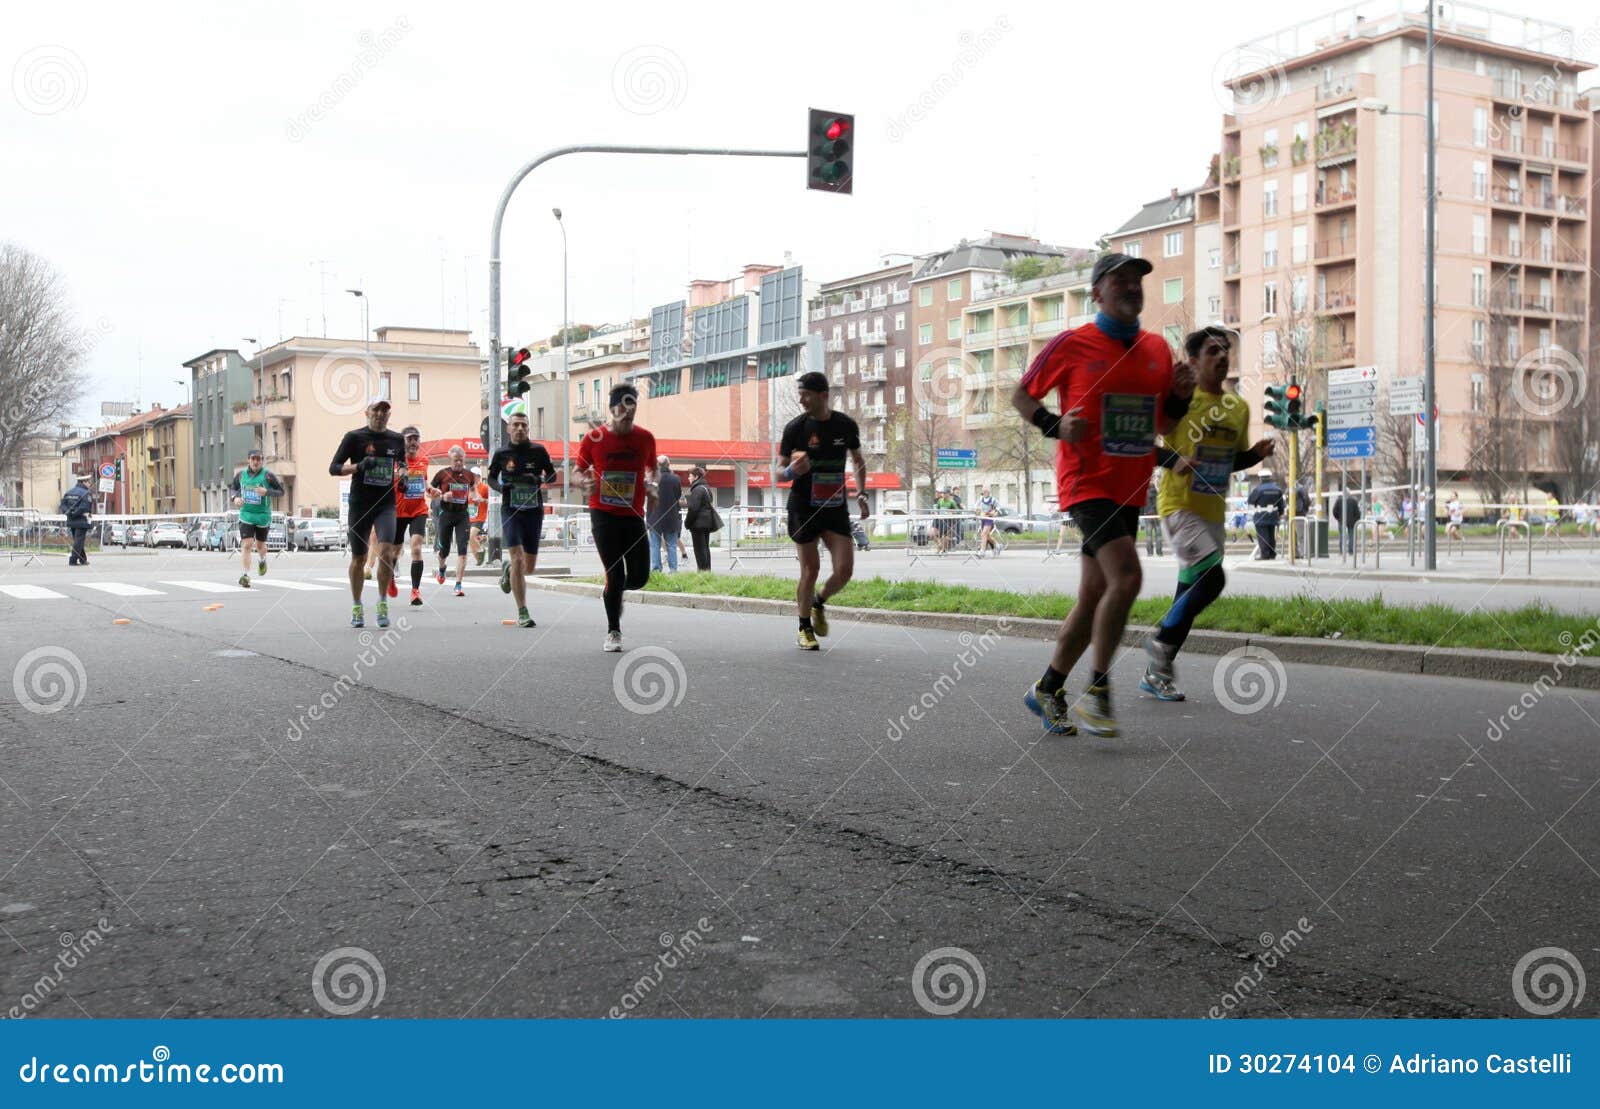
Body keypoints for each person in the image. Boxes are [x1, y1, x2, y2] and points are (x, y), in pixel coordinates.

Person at [1011, 251, 1195, 737]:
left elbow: (1165, 424)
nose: (1132, 287)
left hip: (1130, 488)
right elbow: (1021, 395)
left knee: (1095, 594)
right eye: (1121, 281)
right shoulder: (1072, 343)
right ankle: (1098, 690)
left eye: (1138, 281)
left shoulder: (1157, 349)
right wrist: (1053, 423)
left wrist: (1180, 395)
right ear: (1097, 292)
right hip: (1086, 482)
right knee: (1128, 578)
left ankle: (1048, 687)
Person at [1142, 327, 1273, 701]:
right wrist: (1174, 460)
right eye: (1213, 351)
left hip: (1212, 508)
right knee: (1212, 579)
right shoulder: (1180, 400)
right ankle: (1161, 639)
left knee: (1190, 593)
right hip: (1178, 505)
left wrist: (1255, 455)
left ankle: (1157, 671)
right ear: (1194, 361)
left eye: (1225, 350)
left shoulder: (1238, 407)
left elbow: (1232, 460)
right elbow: (1146, 444)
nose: (1222, 357)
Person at [780, 370, 868, 651]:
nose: (801, 400)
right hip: (804, 507)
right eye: (800, 394)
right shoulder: (795, 429)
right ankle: (804, 628)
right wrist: (793, 469)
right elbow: (779, 473)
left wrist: (862, 492)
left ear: (823, 395)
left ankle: (819, 603)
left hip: (834, 506)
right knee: (811, 569)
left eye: (806, 395)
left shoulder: (845, 425)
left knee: (844, 570)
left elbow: (858, 459)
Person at [575, 384, 656, 650]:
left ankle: (614, 592)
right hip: (603, 513)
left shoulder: (645, 439)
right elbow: (577, 471)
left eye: (632, 406)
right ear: (612, 409)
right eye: (622, 406)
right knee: (615, 573)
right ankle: (614, 631)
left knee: (640, 576)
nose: (627, 411)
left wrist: (652, 485)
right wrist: (583, 483)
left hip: (633, 515)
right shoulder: (594, 439)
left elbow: (652, 470)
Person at [328, 396, 406, 628]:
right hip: (360, 503)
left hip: (385, 503)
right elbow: (333, 468)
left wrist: (402, 474)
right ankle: (357, 604)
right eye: (376, 409)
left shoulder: (396, 439)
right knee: (359, 557)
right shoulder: (354, 438)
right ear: (367, 413)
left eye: (385, 410)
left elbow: (401, 464)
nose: (380, 414)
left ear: (389, 415)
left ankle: (382, 602)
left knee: (386, 551)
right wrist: (358, 466)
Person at [489, 412, 558, 628]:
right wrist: (501, 488)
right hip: (511, 510)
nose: (519, 428)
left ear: (528, 428)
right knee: (518, 557)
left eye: (523, 425)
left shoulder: (538, 451)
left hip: (533, 510)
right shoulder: (502, 453)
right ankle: (523, 611)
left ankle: (509, 570)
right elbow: (490, 477)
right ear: (508, 428)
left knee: (528, 567)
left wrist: (542, 478)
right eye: (515, 425)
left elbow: (553, 475)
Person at [229, 448, 286, 587]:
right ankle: (245, 575)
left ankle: (262, 560)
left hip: (263, 516)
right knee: (247, 544)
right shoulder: (241, 475)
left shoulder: (268, 476)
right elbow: (233, 488)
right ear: (249, 460)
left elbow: (281, 492)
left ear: (261, 461)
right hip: (246, 514)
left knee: (260, 545)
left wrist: (266, 491)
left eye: (258, 459)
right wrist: (235, 498)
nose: (256, 461)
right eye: (253, 459)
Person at [430, 445, 479, 597]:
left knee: (462, 552)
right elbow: (430, 490)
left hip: (462, 516)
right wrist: (442, 496)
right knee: (443, 551)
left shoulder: (469, 475)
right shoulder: (442, 474)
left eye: (461, 460)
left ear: (464, 460)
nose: (458, 463)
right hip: (446, 515)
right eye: (455, 460)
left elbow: (473, 489)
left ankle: (458, 584)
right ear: (450, 459)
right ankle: (442, 567)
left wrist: (475, 497)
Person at [394, 427, 431, 606]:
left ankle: (415, 591)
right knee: (394, 550)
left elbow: (424, 482)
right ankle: (390, 576)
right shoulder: (395, 462)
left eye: (416, 439)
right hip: (398, 511)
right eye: (409, 439)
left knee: (416, 547)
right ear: (403, 442)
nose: (413, 442)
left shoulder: (424, 460)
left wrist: (432, 490)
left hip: (418, 510)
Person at [647, 455, 683, 573]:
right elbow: (678, 496)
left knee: (655, 545)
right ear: (669, 464)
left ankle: (657, 570)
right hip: (671, 517)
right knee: (672, 545)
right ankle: (673, 570)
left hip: (654, 517)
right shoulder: (675, 478)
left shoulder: (652, 479)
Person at [684, 464, 720, 572]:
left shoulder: (697, 490)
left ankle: (702, 571)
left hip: (698, 524)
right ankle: (706, 571)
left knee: (699, 549)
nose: (688, 478)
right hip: (706, 523)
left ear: (696, 477)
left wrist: (687, 523)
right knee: (704, 548)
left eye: (690, 476)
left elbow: (693, 509)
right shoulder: (705, 488)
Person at [59, 475, 95, 566]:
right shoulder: (86, 493)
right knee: (79, 541)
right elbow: (85, 507)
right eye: (88, 482)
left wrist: (69, 513)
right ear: (84, 482)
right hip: (81, 520)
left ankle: (83, 559)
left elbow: (62, 505)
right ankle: (73, 560)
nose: (90, 484)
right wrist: (75, 513)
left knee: (77, 540)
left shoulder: (69, 492)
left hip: (71, 520)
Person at [1249, 475, 1284, 559]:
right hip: (1273, 516)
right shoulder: (1277, 489)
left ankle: (1265, 555)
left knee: (1263, 536)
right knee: (1271, 536)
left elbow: (1250, 501)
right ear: (1270, 478)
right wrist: (1280, 513)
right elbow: (1281, 504)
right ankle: (1272, 554)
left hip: (1261, 515)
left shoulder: (1258, 489)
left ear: (1261, 479)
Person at [1333, 483, 1363, 555]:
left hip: (1341, 520)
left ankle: (1341, 551)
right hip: (1352, 521)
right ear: (1349, 493)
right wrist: (1356, 520)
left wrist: (1338, 518)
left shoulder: (1339, 500)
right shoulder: (1354, 501)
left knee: (1342, 536)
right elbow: (1357, 512)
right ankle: (1350, 551)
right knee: (1351, 536)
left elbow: (1334, 511)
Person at [469, 468, 490, 565]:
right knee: (470, 540)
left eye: (474, 476)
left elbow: (492, 501)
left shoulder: (484, 488)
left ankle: (481, 550)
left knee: (472, 535)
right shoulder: (468, 488)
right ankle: (478, 559)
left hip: (480, 516)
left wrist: (482, 500)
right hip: (469, 516)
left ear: (479, 477)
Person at [976, 486, 1001, 557]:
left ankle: (982, 551)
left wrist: (994, 512)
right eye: (984, 491)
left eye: (986, 491)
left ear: (989, 492)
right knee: (987, 535)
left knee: (983, 534)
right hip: (983, 519)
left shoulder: (993, 499)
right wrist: (977, 510)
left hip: (989, 519)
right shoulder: (980, 499)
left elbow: (998, 508)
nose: (985, 493)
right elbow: (976, 507)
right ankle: (997, 545)